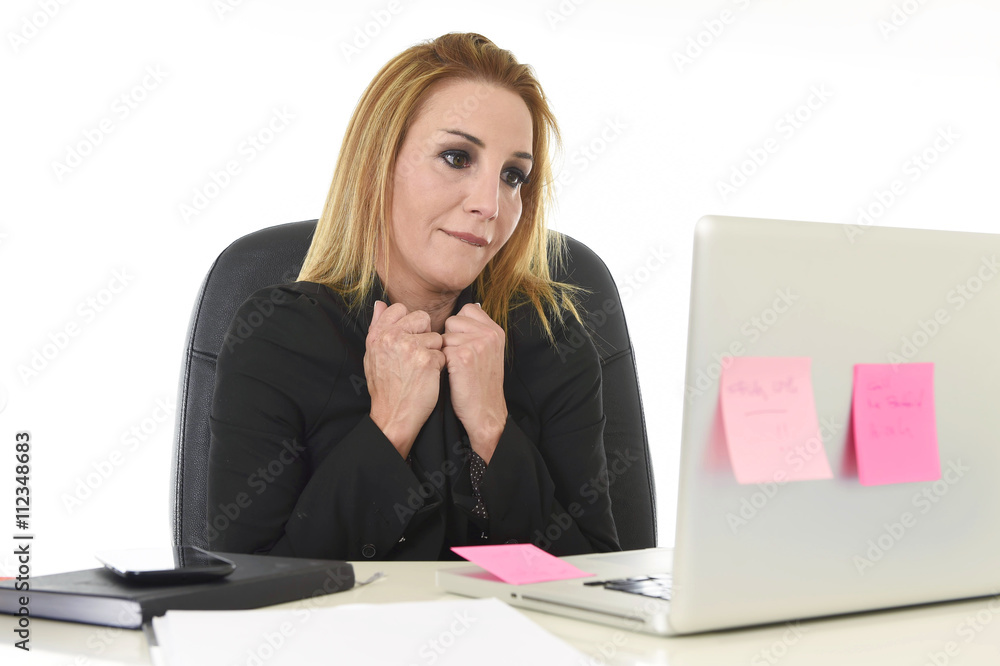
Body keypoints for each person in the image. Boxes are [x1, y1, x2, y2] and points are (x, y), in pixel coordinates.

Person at [206, 32, 620, 561]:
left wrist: (491, 430)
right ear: (378, 164)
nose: (491, 205)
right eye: (456, 157)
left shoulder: (552, 341)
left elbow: (593, 581)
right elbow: (251, 583)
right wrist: (391, 427)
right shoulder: (278, 337)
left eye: (513, 176)